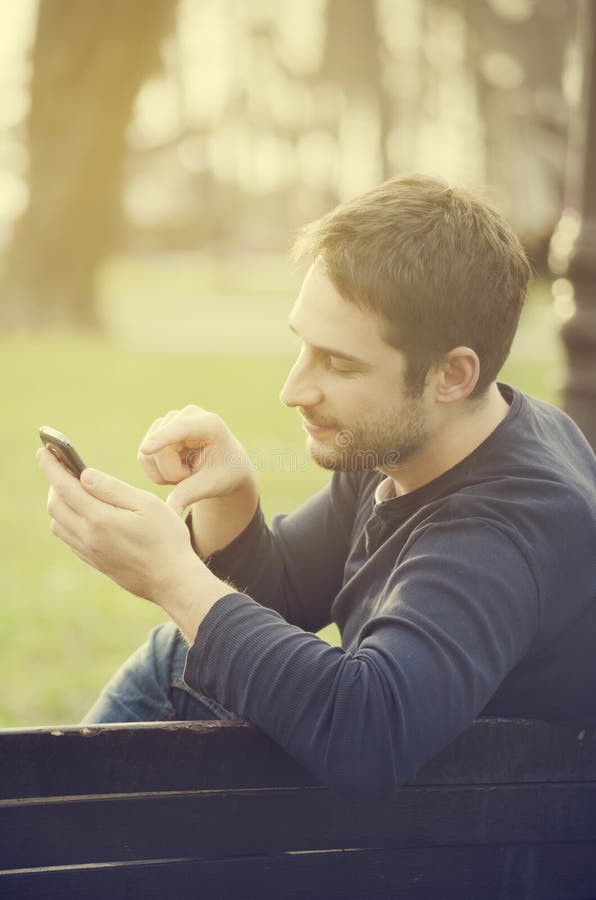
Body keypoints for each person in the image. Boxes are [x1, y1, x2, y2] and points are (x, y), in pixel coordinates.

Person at [38, 174, 596, 798]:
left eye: (339, 363)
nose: (293, 390)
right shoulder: (409, 442)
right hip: (427, 815)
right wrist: (233, 493)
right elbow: (285, 596)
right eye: (303, 346)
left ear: (452, 375)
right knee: (184, 657)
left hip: (470, 848)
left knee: (182, 664)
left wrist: (174, 578)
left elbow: (365, 731)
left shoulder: (506, 525)